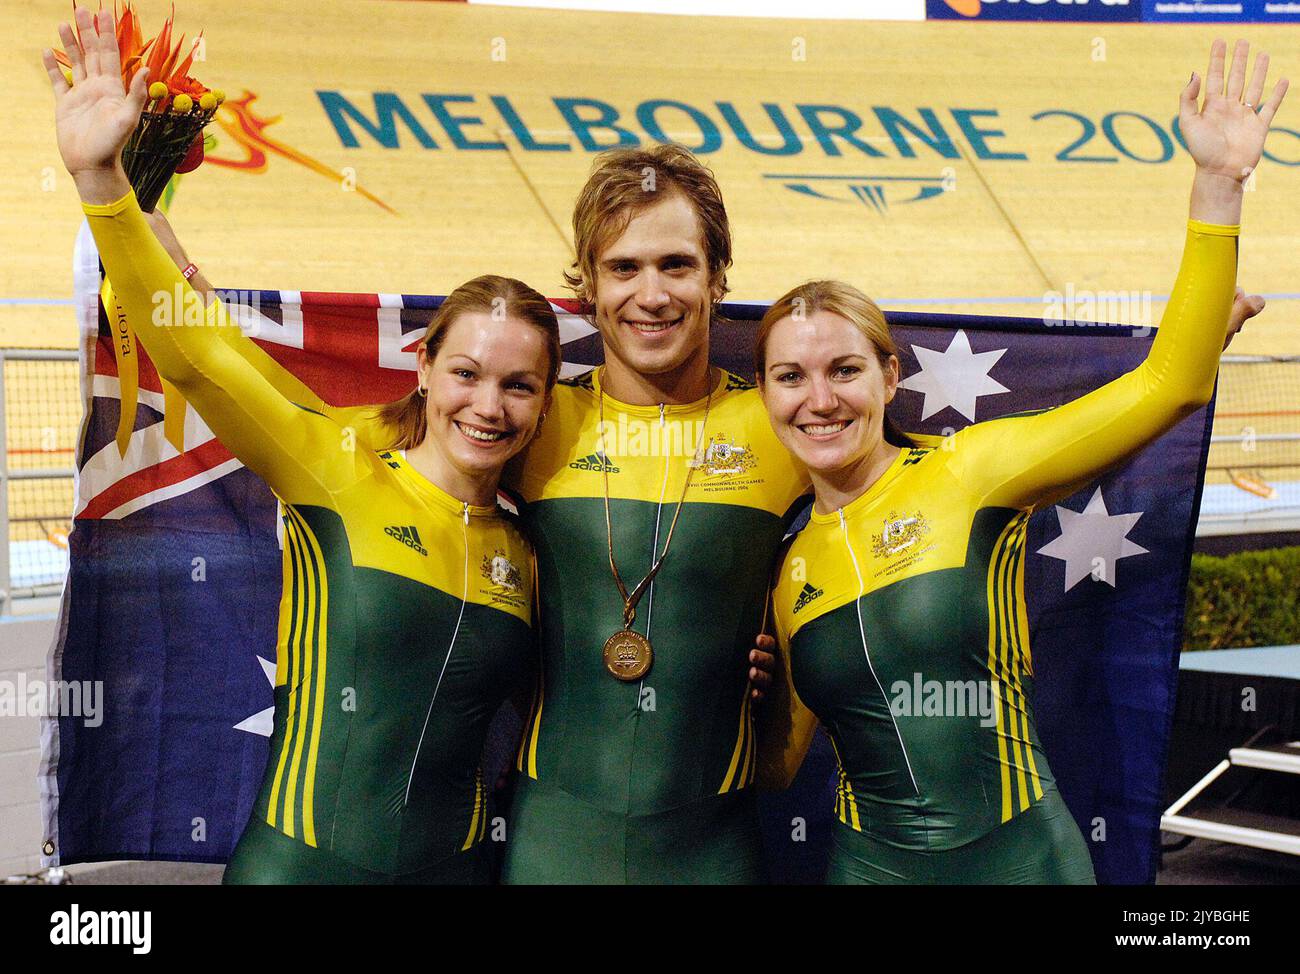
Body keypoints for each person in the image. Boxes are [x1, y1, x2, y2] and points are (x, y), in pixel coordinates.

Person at [44, 7, 561, 884]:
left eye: (519, 386)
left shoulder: (537, 544)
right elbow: (201, 360)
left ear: (548, 401)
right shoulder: (337, 465)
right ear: (424, 367)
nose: (489, 405)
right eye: (468, 374)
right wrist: (102, 181)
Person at [753, 39, 1286, 884]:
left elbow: (1173, 384)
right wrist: (739, 698)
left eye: (844, 369)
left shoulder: (975, 472)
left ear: (891, 376)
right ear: (767, 394)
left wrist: (1218, 184)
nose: (819, 398)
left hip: (1024, 863)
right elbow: (776, 769)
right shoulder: (788, 574)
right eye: (791, 376)